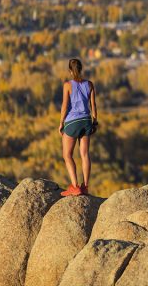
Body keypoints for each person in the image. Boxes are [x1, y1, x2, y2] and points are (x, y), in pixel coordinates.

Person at [58, 58, 98, 196]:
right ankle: (85, 186)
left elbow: (64, 105)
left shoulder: (67, 85)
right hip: (86, 121)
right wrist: (95, 121)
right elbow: (93, 105)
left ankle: (75, 187)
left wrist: (61, 122)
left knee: (67, 154)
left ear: (70, 71)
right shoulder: (90, 84)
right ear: (81, 69)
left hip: (72, 122)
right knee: (85, 154)